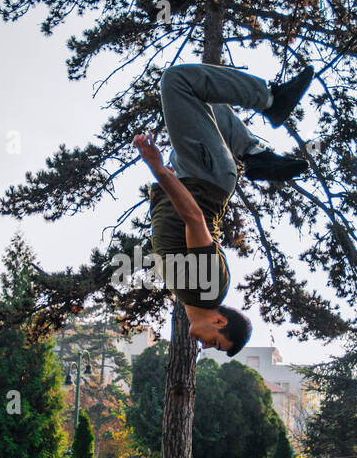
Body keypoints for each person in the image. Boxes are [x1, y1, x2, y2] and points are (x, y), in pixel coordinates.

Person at [133, 62, 314, 356]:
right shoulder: (208, 290)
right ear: (219, 320)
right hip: (204, 177)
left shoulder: (190, 295)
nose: (205, 346)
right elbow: (194, 220)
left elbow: (179, 224)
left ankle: (255, 157)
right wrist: (158, 171)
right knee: (176, 80)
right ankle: (271, 101)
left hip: (192, 174)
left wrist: (166, 182)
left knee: (208, 101)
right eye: (215, 341)